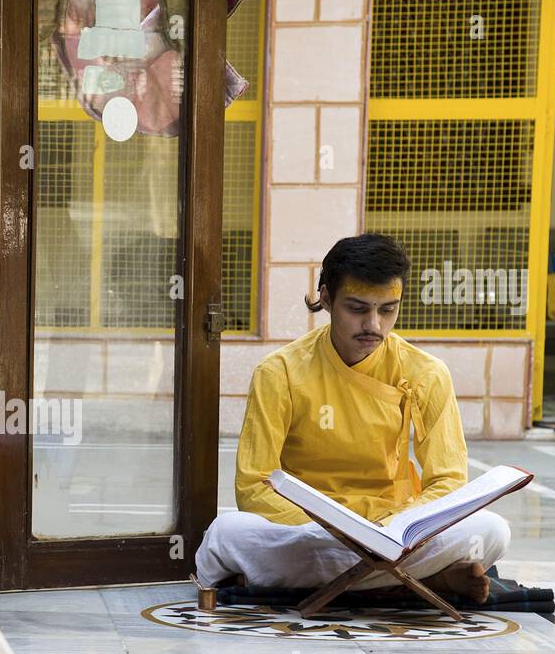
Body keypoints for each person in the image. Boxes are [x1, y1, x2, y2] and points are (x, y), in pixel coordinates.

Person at [196, 233, 510, 601]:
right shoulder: (279, 372)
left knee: (492, 530)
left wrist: (395, 528)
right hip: (312, 529)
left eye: (388, 309)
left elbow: (448, 484)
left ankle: (333, 578)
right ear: (327, 299)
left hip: (394, 530)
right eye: (358, 308)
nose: (374, 325)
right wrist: (336, 532)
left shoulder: (426, 374)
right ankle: (413, 581)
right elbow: (254, 486)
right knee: (227, 533)